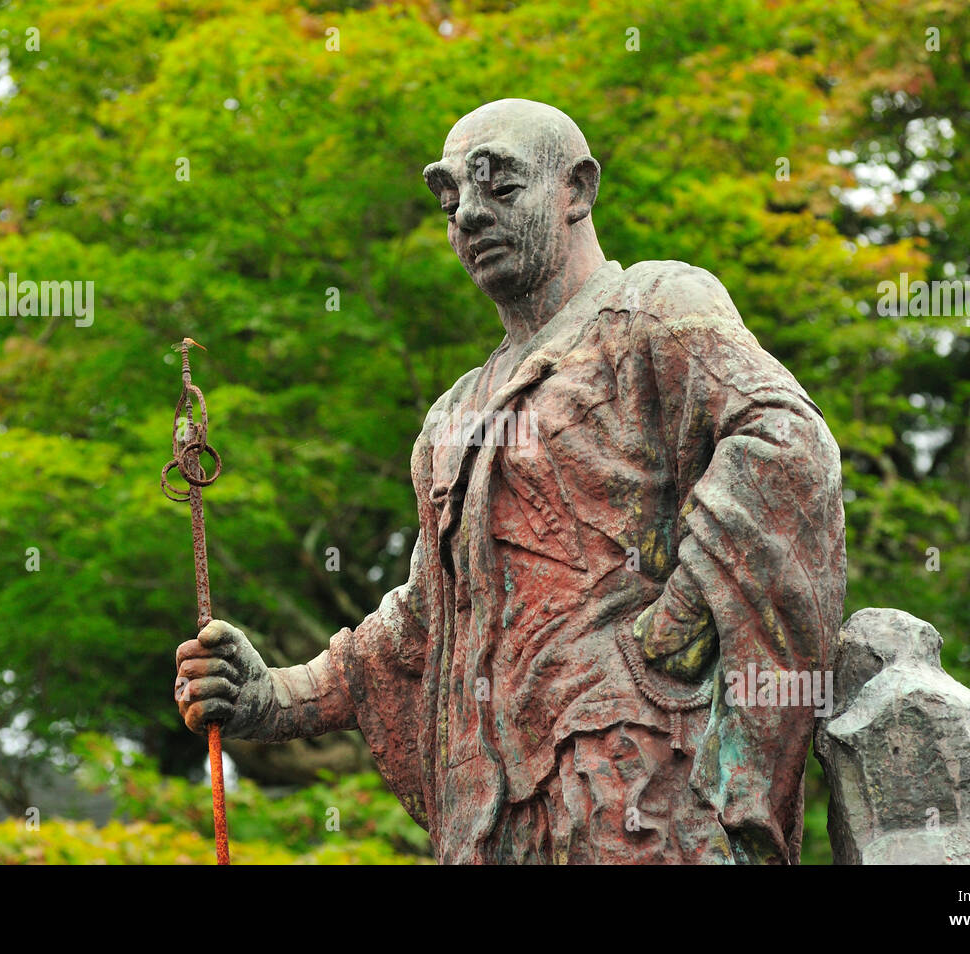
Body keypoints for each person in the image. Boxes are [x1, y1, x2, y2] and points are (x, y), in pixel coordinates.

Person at [175, 98, 847, 864]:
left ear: (577, 189)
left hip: (636, 784)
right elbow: (425, 619)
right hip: (489, 812)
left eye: (500, 186)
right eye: (450, 200)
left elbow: (784, 446)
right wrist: (277, 696)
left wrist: (668, 638)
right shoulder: (453, 414)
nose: (468, 213)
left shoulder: (652, 309)